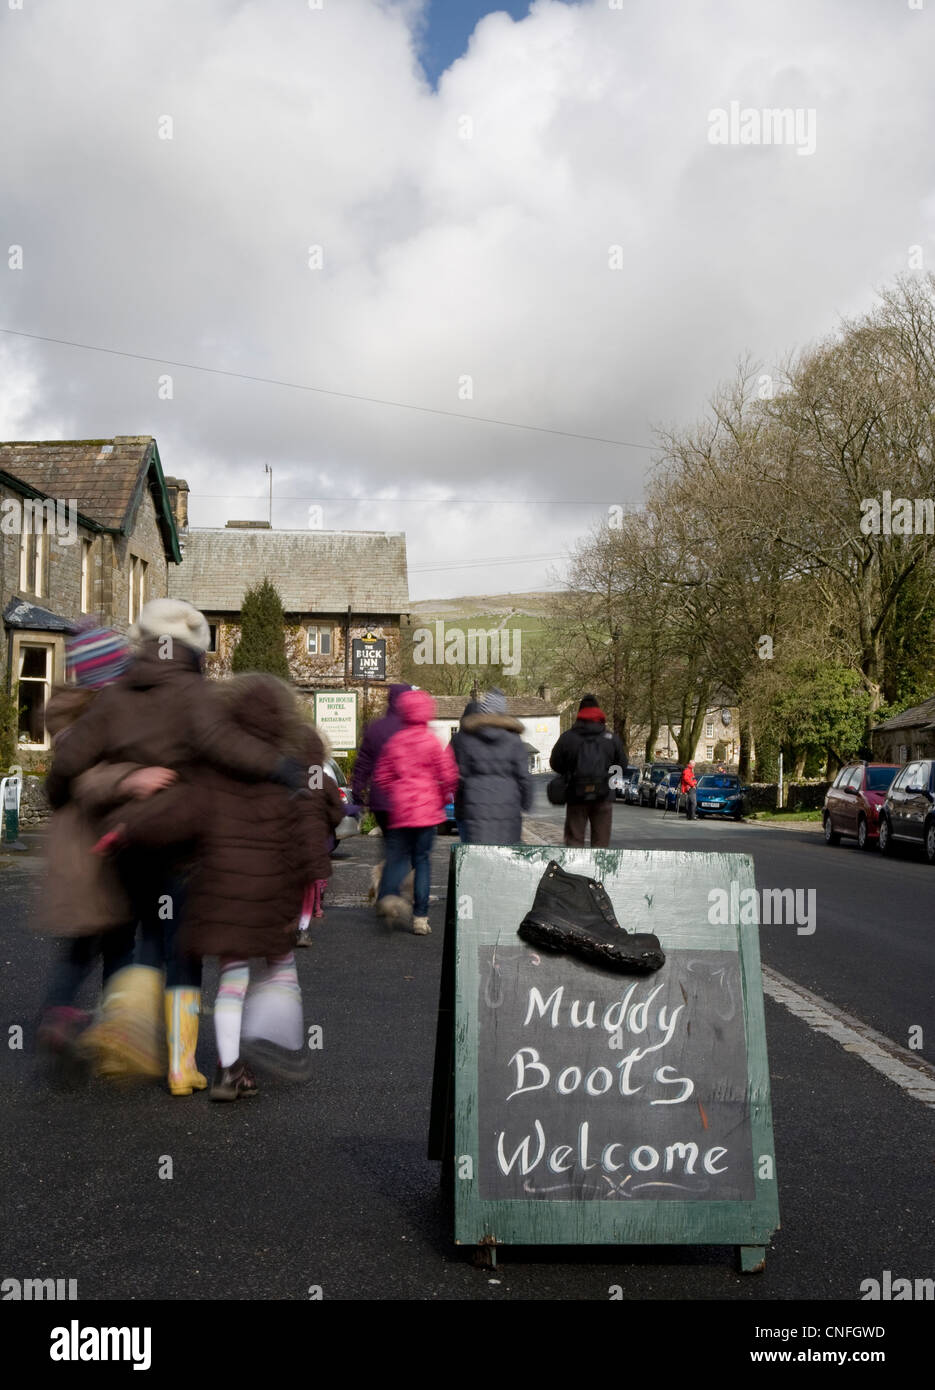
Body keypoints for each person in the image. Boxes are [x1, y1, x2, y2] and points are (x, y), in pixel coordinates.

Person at [48, 598, 308, 1096]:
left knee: (128, 939)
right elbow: (225, 744)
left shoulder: (114, 696)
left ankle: (124, 1041)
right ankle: (180, 1064)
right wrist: (280, 767)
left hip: (124, 842)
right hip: (180, 843)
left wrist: (59, 796)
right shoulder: (196, 694)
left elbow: (69, 760)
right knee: (179, 948)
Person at [113, 674, 324, 1100]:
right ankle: (274, 1039)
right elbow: (310, 831)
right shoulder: (286, 771)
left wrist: (127, 828)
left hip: (222, 898)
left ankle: (229, 1070)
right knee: (278, 970)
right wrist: (314, 875)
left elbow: (176, 816)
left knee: (232, 978)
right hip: (270, 900)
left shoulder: (214, 772)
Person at [373, 689, 458, 935]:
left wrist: (397, 791)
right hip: (428, 811)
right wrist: (441, 797)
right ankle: (420, 918)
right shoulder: (432, 742)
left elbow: (381, 777)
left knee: (397, 857)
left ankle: (388, 897)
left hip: (401, 811)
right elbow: (449, 775)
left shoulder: (395, 741)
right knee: (421, 861)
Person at [451, 689, 532, 844]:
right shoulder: (514, 740)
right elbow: (524, 776)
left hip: (476, 806)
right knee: (506, 855)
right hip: (509, 806)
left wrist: (462, 801)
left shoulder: (466, 739)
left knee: (478, 856)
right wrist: (525, 803)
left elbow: (460, 776)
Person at [549, 694, 628, 848]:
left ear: (579, 715)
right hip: (604, 795)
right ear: (598, 713)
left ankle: (573, 870)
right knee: (601, 843)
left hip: (575, 795)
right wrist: (609, 777)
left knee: (574, 841)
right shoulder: (611, 738)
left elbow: (555, 763)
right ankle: (597, 871)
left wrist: (569, 773)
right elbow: (622, 765)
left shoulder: (568, 738)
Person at [351, 683, 413, 835]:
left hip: (381, 800)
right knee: (406, 847)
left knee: (392, 844)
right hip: (409, 799)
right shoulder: (414, 728)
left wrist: (357, 792)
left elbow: (363, 764)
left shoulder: (376, 728)